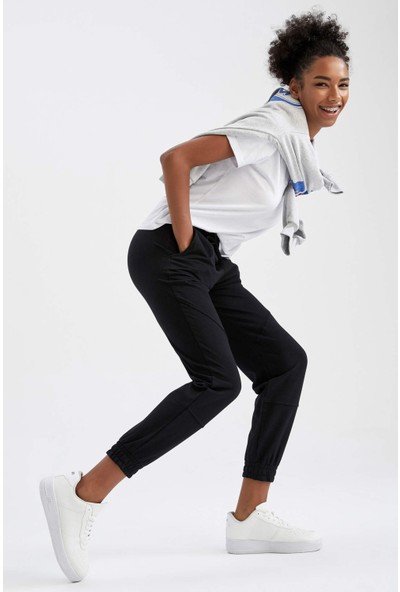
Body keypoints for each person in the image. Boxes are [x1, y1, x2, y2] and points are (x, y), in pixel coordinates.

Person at [40, 9, 350, 582]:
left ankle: (249, 517)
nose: (334, 96)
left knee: (285, 364)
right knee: (217, 382)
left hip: (211, 262)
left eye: (342, 84)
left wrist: (201, 252)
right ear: (295, 85)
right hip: (172, 251)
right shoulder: (270, 127)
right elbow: (176, 159)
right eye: (321, 83)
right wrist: (185, 240)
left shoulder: (290, 140)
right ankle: (83, 492)